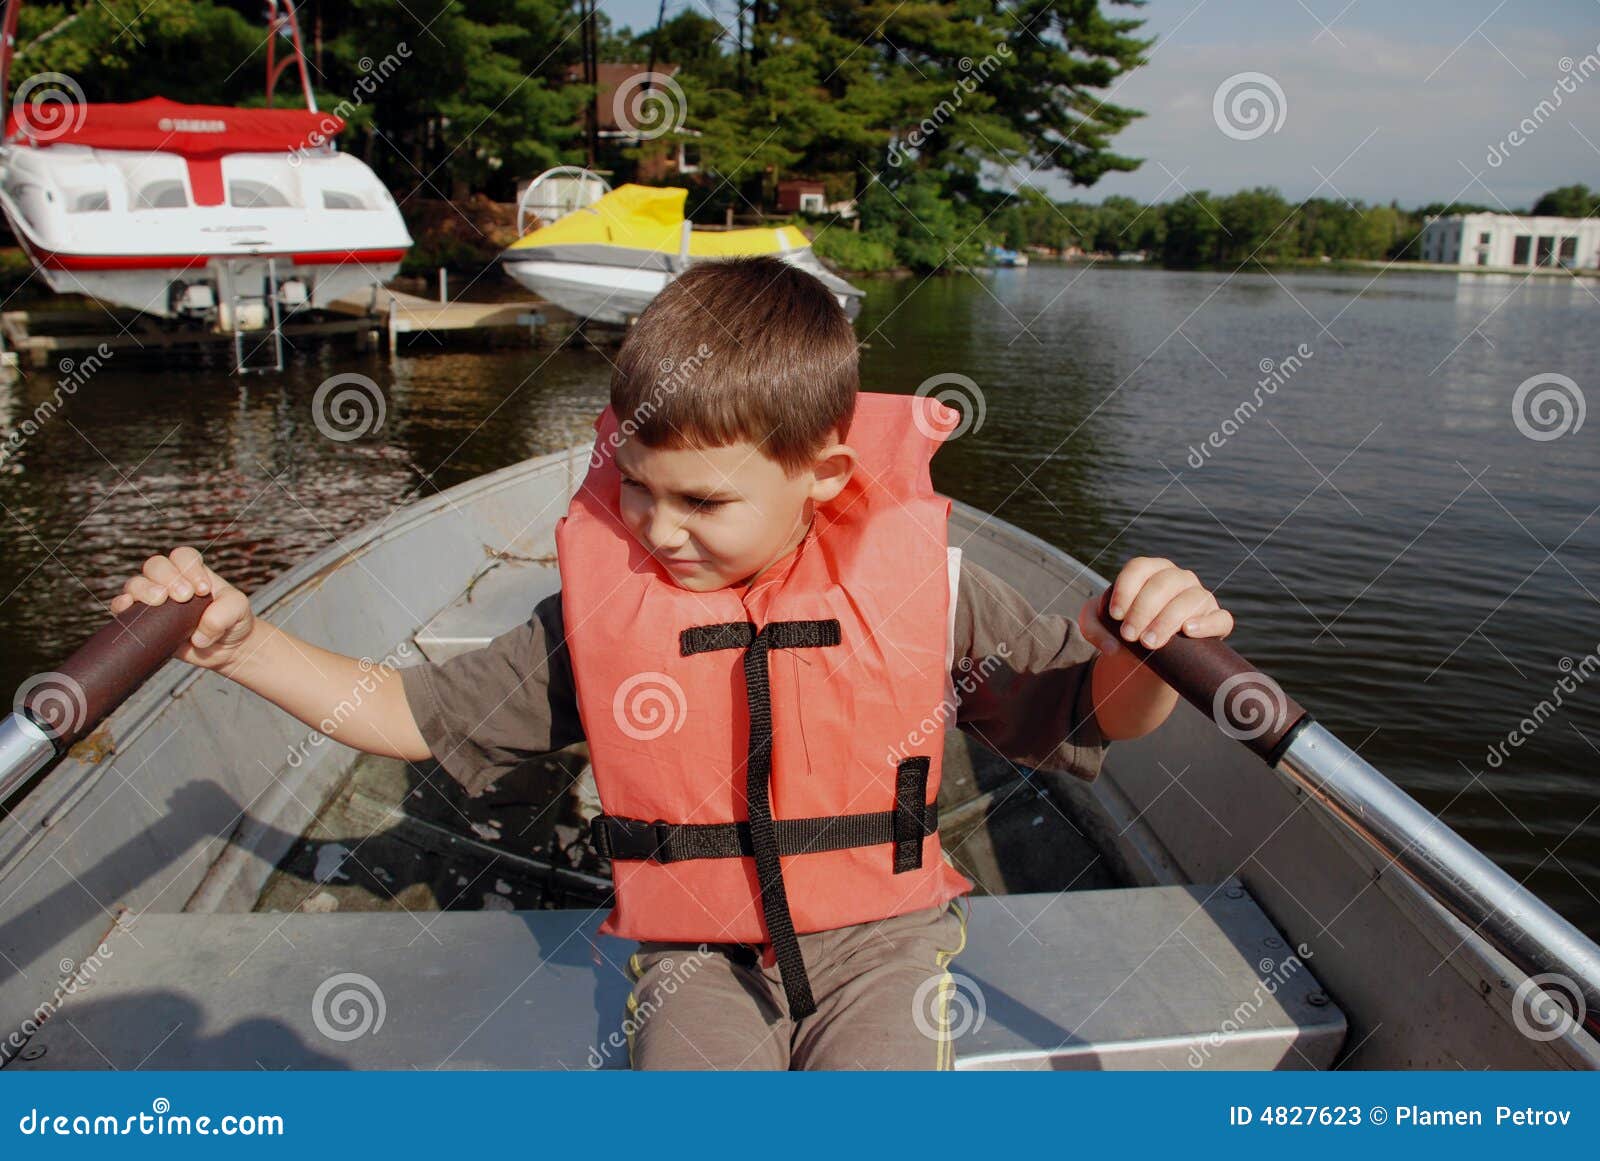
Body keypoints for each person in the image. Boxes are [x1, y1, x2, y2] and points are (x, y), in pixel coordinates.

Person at [112, 255, 1234, 1070]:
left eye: (702, 501)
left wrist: (1144, 648)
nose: (652, 530)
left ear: (825, 475)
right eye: (636, 487)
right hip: (695, 949)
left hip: (881, 948)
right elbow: (405, 713)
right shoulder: (605, 615)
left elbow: (1087, 718)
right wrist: (244, 642)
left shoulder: (930, 588)